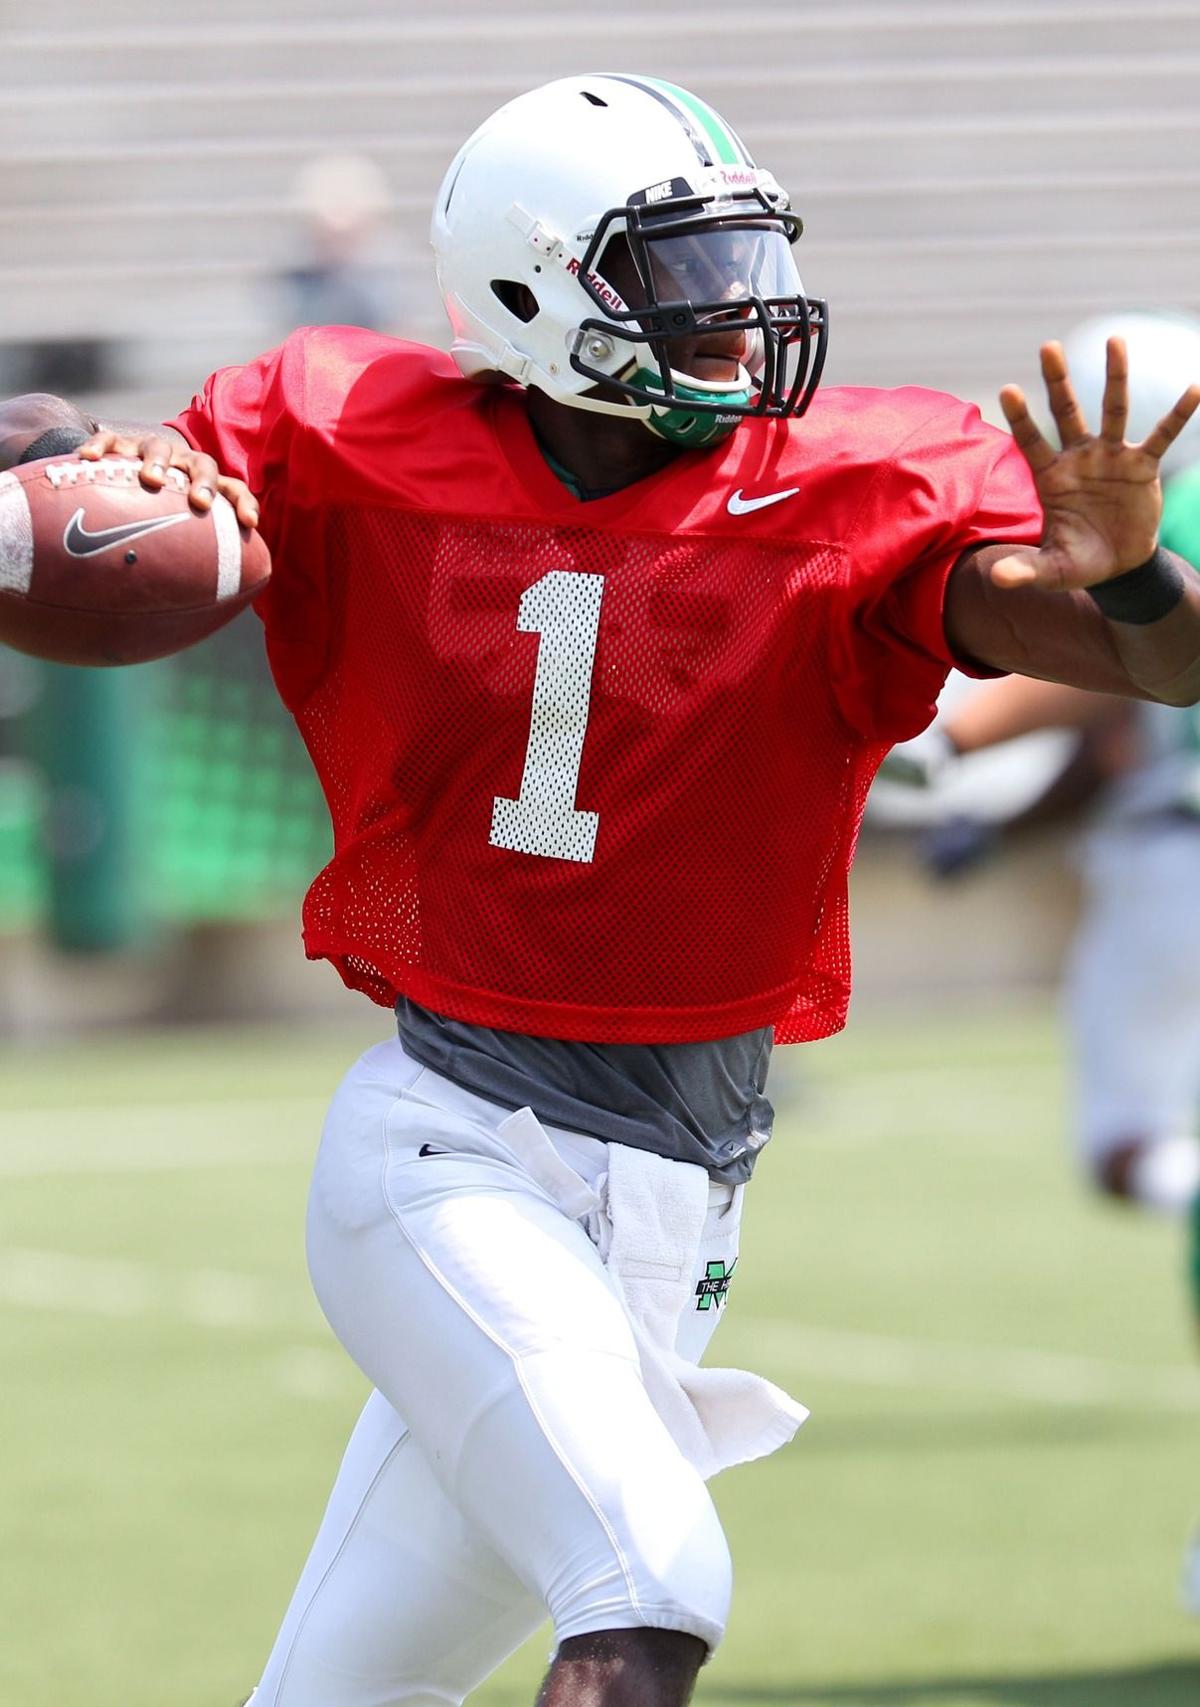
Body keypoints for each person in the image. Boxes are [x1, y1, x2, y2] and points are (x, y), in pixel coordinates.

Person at [3, 74, 1200, 1707]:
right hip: (450, 1140)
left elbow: (1163, 665)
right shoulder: (341, 427)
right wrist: (77, 460)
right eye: (686, 278)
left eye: (747, 264)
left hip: (678, 1196)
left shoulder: (857, 490)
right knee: (650, 1585)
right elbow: (77, 492)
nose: (741, 317)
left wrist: (1133, 569)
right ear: (532, 286)